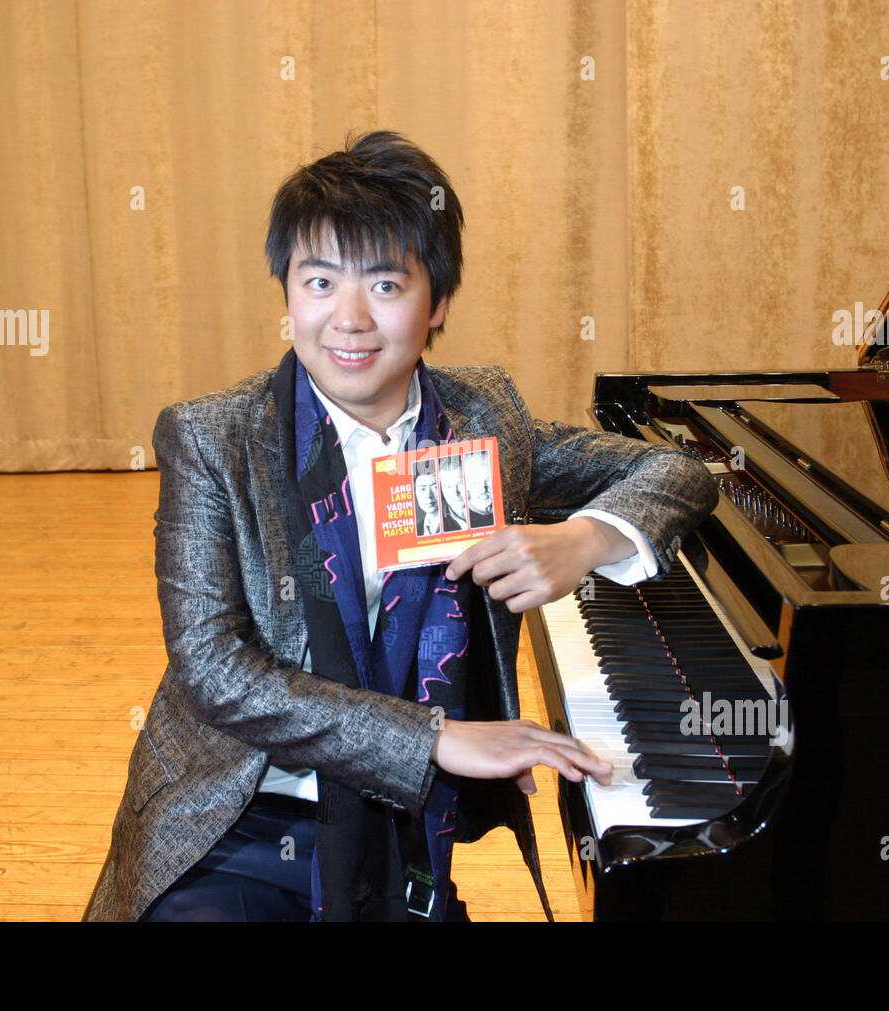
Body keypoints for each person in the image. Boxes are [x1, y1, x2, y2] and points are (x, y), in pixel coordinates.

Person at [83, 130, 718, 922]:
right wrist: (433, 738)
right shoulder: (216, 439)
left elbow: (679, 471)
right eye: (319, 281)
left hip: (401, 834)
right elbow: (214, 670)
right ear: (287, 292)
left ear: (438, 300)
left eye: (385, 285)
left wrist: (585, 541)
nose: (347, 319)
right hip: (240, 817)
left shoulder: (482, 423)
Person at [438, 455, 469, 532]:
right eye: (448, 486)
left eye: (460, 483)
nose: (455, 493)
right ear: (441, 488)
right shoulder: (437, 525)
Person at [413, 462, 443, 536]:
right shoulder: (417, 530)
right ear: (415, 492)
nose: (429, 495)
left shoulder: (458, 523)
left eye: (435, 487)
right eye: (422, 489)